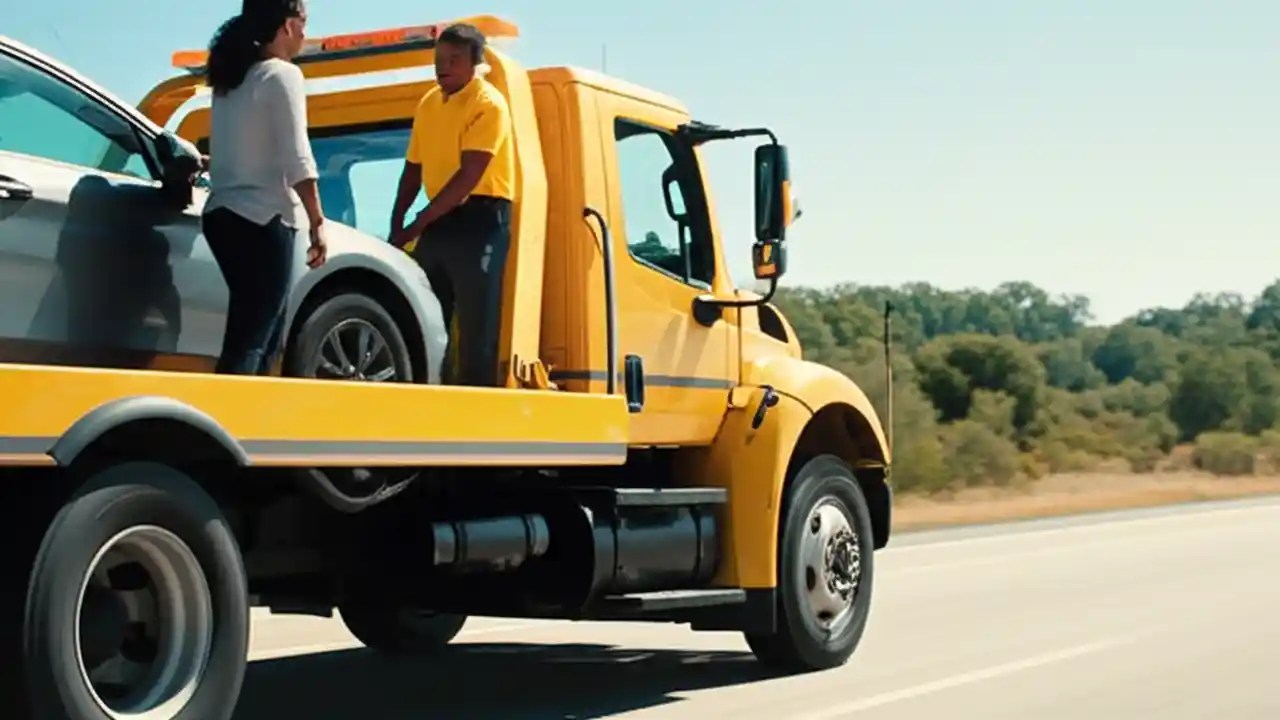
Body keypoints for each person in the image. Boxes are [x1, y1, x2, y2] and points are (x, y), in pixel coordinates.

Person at [202, 0, 327, 375]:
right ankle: (232, 423)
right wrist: (317, 220)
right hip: (263, 217)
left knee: (249, 331)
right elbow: (296, 154)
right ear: (288, 25)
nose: (306, 33)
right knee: (258, 338)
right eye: (304, 23)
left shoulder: (231, 79)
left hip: (221, 215)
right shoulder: (282, 75)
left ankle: (234, 418)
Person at [388, 23, 515, 387]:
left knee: (476, 323)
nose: (443, 67)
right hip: (439, 218)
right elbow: (413, 169)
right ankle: (428, 396)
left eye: (454, 60)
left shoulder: (488, 104)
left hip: (481, 218)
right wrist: (397, 221)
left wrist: (417, 224)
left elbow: (467, 177)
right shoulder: (429, 102)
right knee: (427, 315)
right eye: (439, 60)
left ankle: (477, 409)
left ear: (476, 62)